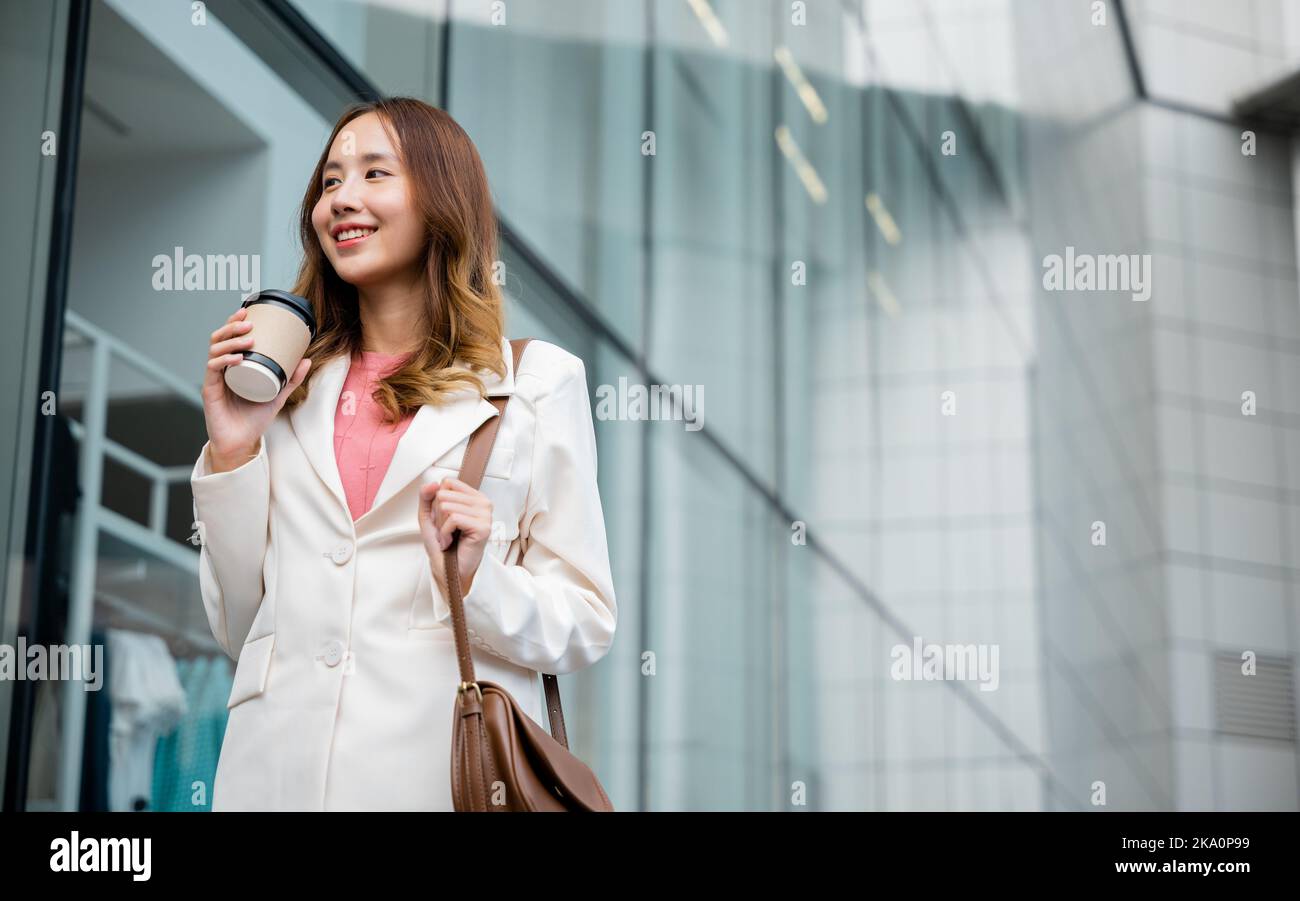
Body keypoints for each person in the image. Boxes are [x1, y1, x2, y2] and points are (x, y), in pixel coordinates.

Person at [190, 97, 617, 811]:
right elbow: (242, 625)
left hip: (439, 782)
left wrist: (477, 580)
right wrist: (233, 451)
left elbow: (585, 619)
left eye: (374, 174)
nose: (343, 200)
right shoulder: (286, 386)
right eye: (330, 181)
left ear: (441, 200)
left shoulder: (537, 384)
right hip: (275, 780)